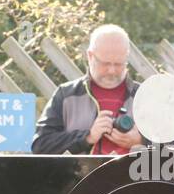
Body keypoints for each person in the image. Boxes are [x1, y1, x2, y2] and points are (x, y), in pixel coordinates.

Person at [31, 24, 146, 155]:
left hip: (130, 175)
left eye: (119, 64)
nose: (112, 70)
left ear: (127, 57)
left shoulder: (145, 96)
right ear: (90, 56)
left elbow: (173, 146)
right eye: (105, 63)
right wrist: (87, 137)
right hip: (80, 175)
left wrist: (142, 141)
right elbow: (40, 145)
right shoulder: (66, 95)